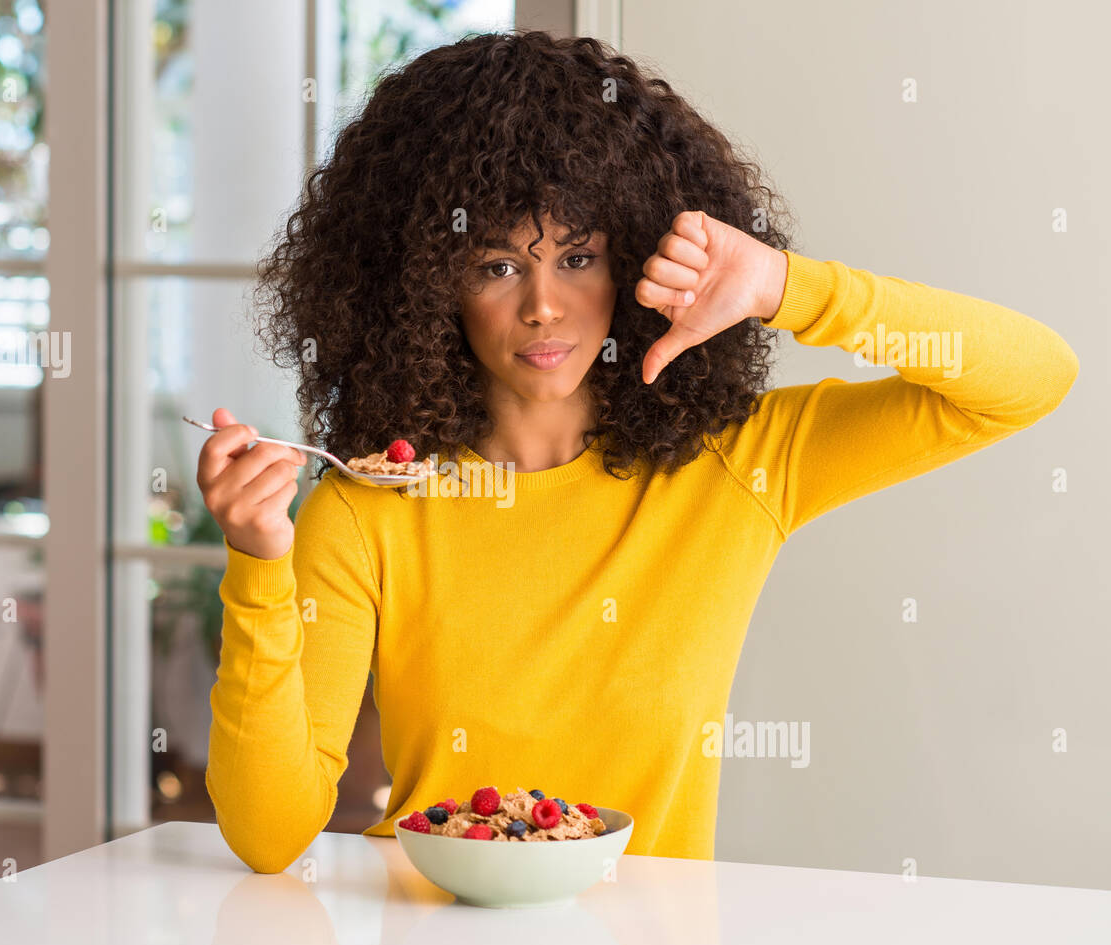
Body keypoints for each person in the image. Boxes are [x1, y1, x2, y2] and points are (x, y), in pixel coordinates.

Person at [194, 32, 1078, 873]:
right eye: (498, 267)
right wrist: (257, 564)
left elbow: (1033, 377)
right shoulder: (369, 506)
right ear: (428, 286)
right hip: (432, 935)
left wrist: (783, 285)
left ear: (635, 263)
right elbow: (270, 833)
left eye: (578, 257)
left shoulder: (737, 465)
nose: (544, 306)